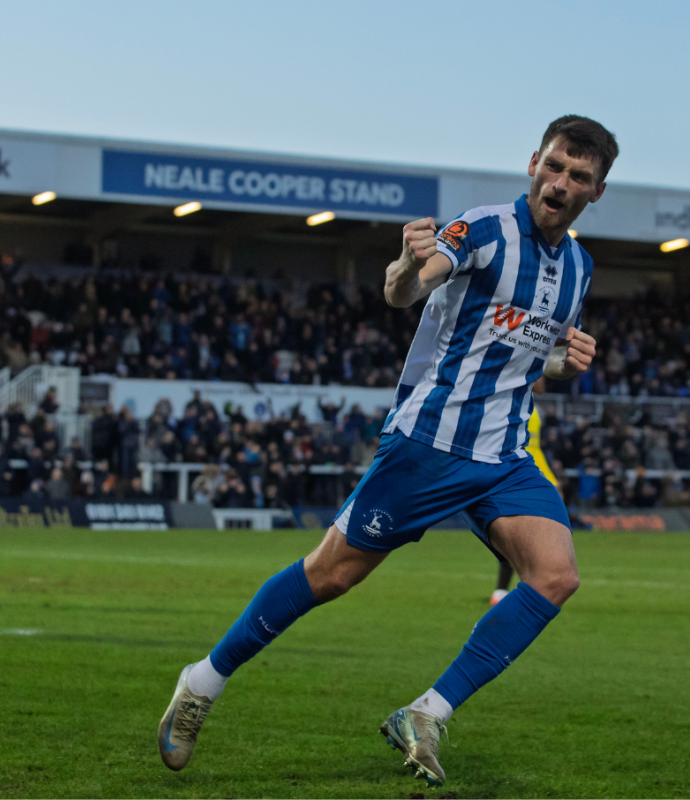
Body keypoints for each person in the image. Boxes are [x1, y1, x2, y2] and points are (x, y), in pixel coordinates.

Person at [157, 115, 616, 785]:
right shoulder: (483, 228)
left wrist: (563, 368)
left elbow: (526, 360)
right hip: (427, 444)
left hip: (504, 457)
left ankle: (426, 713)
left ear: (595, 192)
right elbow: (405, 289)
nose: (561, 182)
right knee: (331, 575)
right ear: (533, 164)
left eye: (579, 176)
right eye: (554, 166)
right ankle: (202, 682)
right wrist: (406, 261)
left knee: (556, 575)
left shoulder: (579, 267)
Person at [491, 377, 561, 606]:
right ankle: (507, 588)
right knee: (518, 532)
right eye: (542, 377)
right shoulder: (513, 400)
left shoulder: (531, 403)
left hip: (535, 463)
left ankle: (522, 584)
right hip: (519, 464)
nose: (545, 383)